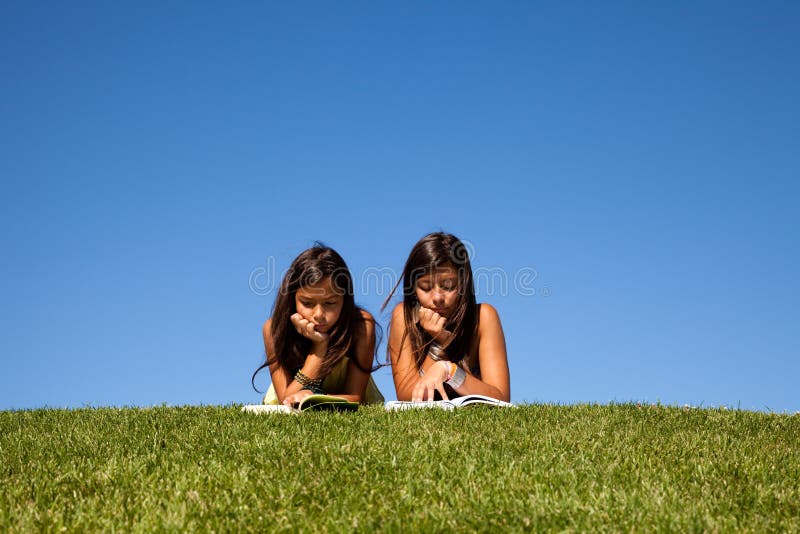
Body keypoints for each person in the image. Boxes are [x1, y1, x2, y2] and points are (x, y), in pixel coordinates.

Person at [383, 232, 510, 402]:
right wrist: (439, 345)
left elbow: (501, 398)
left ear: (463, 284)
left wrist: (449, 371)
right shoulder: (403, 316)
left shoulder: (483, 317)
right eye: (426, 287)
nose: (437, 298)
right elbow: (407, 395)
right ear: (413, 289)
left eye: (448, 286)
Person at [252, 244, 383, 406]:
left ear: (345, 300)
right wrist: (318, 350)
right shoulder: (274, 329)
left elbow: (355, 397)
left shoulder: (361, 326)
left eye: (330, 303)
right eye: (307, 303)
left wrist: (313, 398)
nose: (319, 314)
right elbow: (286, 399)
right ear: (292, 299)